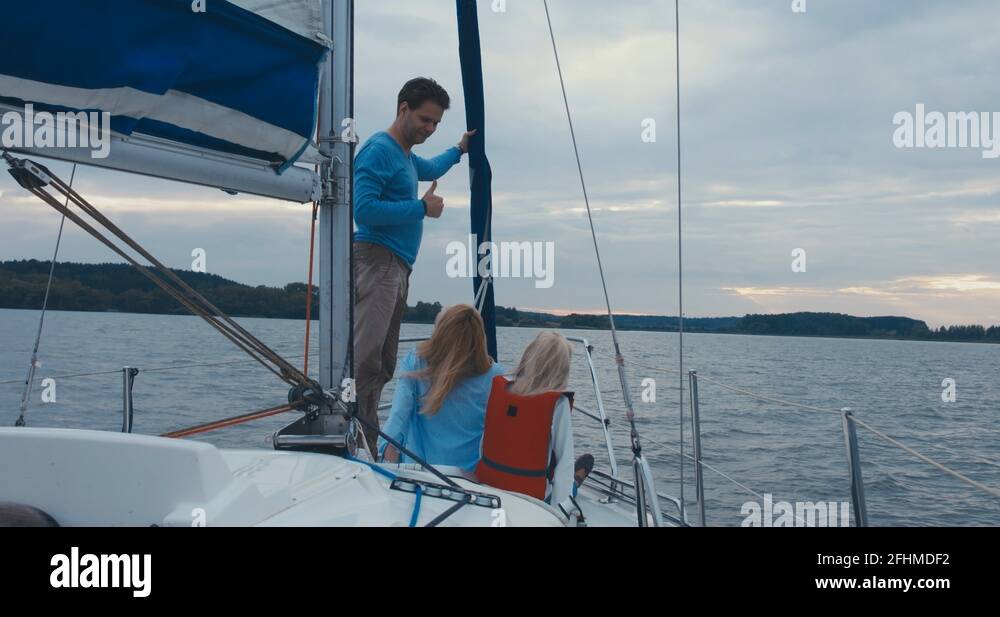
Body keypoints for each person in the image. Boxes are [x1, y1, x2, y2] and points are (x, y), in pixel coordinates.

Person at [353, 77, 477, 454]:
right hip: (377, 262)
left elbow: (430, 167)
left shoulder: (405, 156)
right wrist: (421, 208)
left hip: (397, 268)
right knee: (365, 361)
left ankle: (365, 443)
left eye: (436, 123)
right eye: (425, 120)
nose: (430, 128)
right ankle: (353, 442)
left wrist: (459, 149)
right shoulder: (380, 150)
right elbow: (363, 209)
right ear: (402, 108)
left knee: (383, 363)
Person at [378, 305, 504, 471]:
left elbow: (398, 418)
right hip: (471, 478)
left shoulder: (415, 362)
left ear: (440, 333)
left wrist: (387, 458)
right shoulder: (495, 375)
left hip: (420, 474)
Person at [475, 332, 576, 507]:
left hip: (489, 486)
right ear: (562, 369)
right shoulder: (558, 403)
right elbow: (565, 464)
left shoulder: (499, 388)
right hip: (531, 497)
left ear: (528, 356)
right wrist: (561, 514)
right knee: (570, 483)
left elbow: (484, 444)